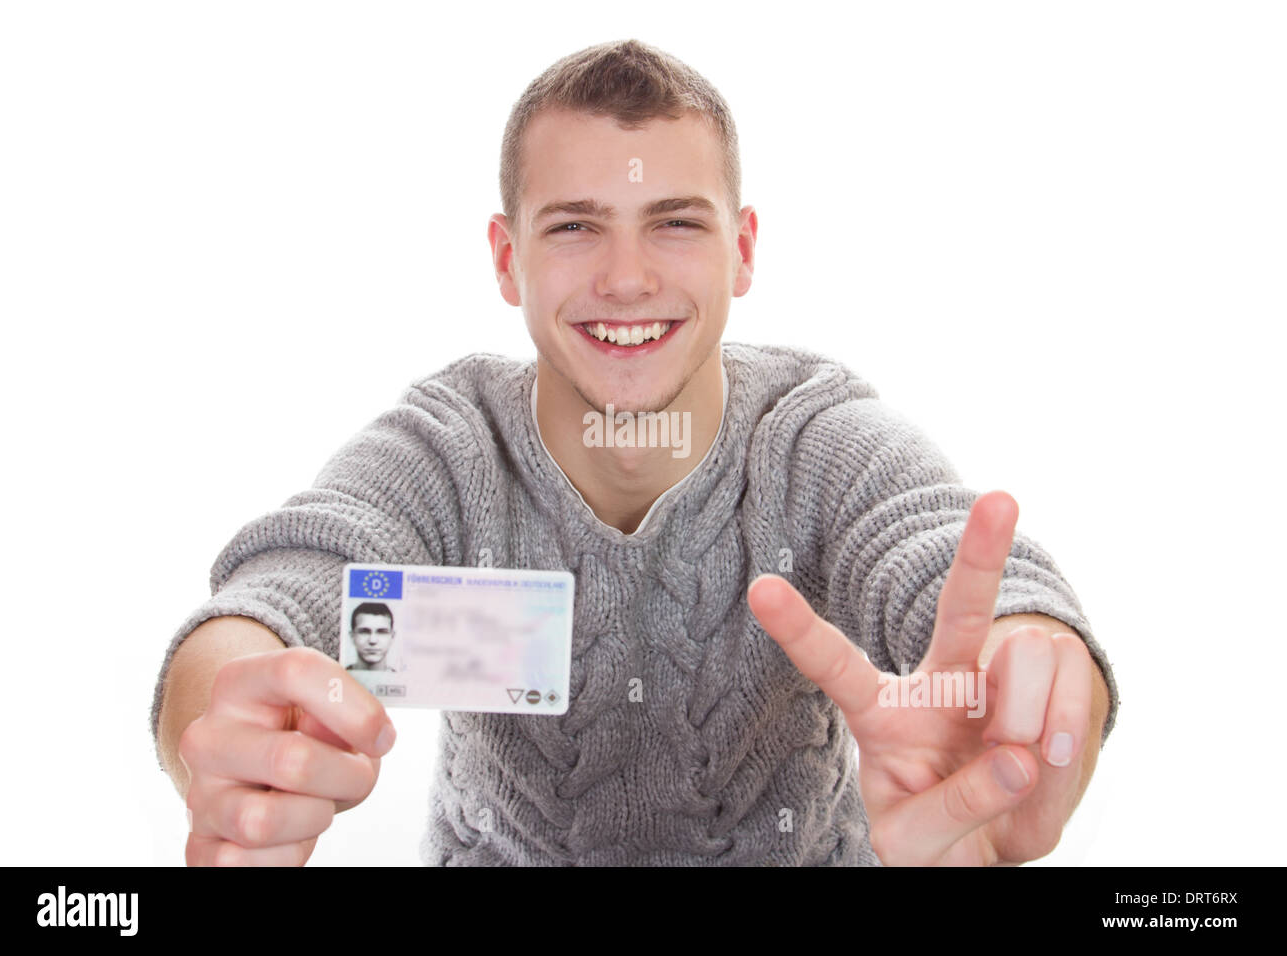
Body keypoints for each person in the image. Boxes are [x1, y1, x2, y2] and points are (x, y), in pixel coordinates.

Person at [151, 38, 1120, 867]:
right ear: (505, 257)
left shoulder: (816, 433)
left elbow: (927, 540)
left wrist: (1021, 682)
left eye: (675, 223)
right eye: (575, 226)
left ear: (742, 249)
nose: (625, 277)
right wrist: (223, 720)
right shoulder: (452, 444)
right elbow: (282, 587)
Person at [346, 603, 397, 671]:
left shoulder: (403, 680)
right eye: (364, 632)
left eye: (382, 632)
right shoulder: (339, 676)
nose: (372, 640)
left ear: (392, 637)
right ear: (352, 636)